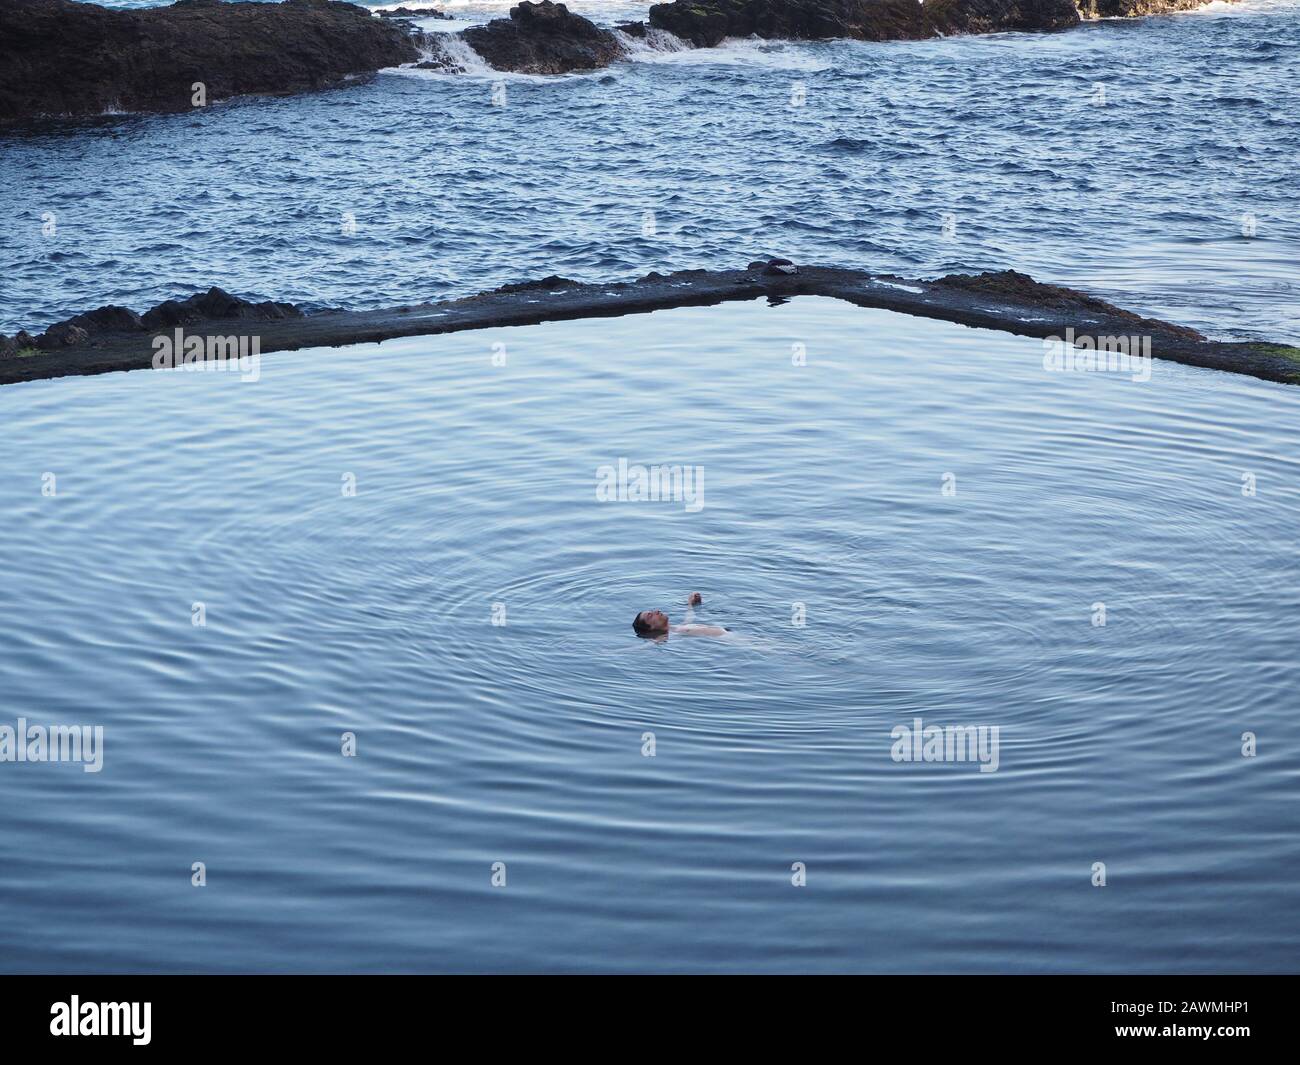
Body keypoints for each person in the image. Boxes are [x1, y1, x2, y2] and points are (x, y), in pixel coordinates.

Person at [632, 593, 726, 639]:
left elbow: (689, 618)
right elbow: (643, 646)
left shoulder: (678, 627)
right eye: (650, 615)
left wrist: (690, 603)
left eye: (652, 611)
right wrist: (617, 653)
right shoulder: (665, 637)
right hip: (729, 640)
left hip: (727, 634)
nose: (656, 611)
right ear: (651, 628)